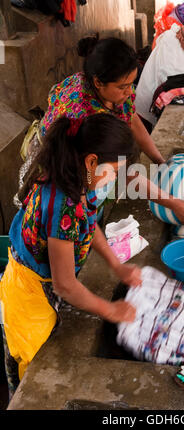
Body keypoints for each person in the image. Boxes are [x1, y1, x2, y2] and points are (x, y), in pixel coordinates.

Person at [0, 114, 142, 398]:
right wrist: (109, 310)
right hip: (29, 295)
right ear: (91, 162)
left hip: (38, 278)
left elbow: (89, 224)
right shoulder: (63, 204)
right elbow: (64, 284)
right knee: (34, 376)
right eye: (113, 171)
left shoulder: (75, 177)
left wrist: (116, 265)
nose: (114, 179)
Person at [19, 35, 184, 233]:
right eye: (123, 86)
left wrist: (159, 160)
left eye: (132, 83)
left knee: (89, 213)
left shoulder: (117, 91)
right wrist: (173, 203)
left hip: (89, 168)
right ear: (98, 82)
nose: (129, 92)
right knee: (71, 223)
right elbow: (120, 173)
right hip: (61, 169)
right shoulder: (83, 115)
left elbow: (132, 119)